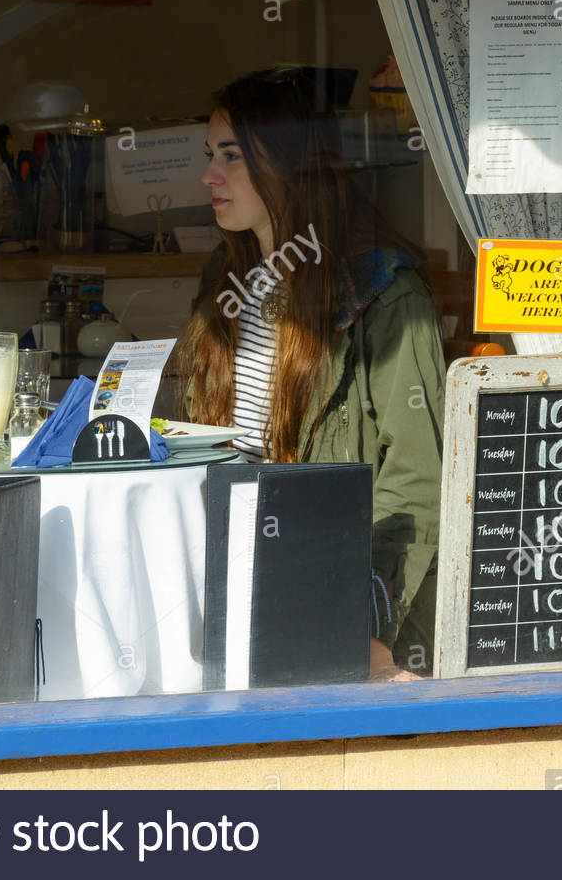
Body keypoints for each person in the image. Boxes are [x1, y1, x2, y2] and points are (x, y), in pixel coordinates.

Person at [173, 67, 444, 680]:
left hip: (335, 597)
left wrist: (368, 627)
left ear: (288, 165)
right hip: (236, 585)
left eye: (232, 156)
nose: (209, 175)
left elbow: (418, 478)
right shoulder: (225, 279)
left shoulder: (382, 291)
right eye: (209, 154)